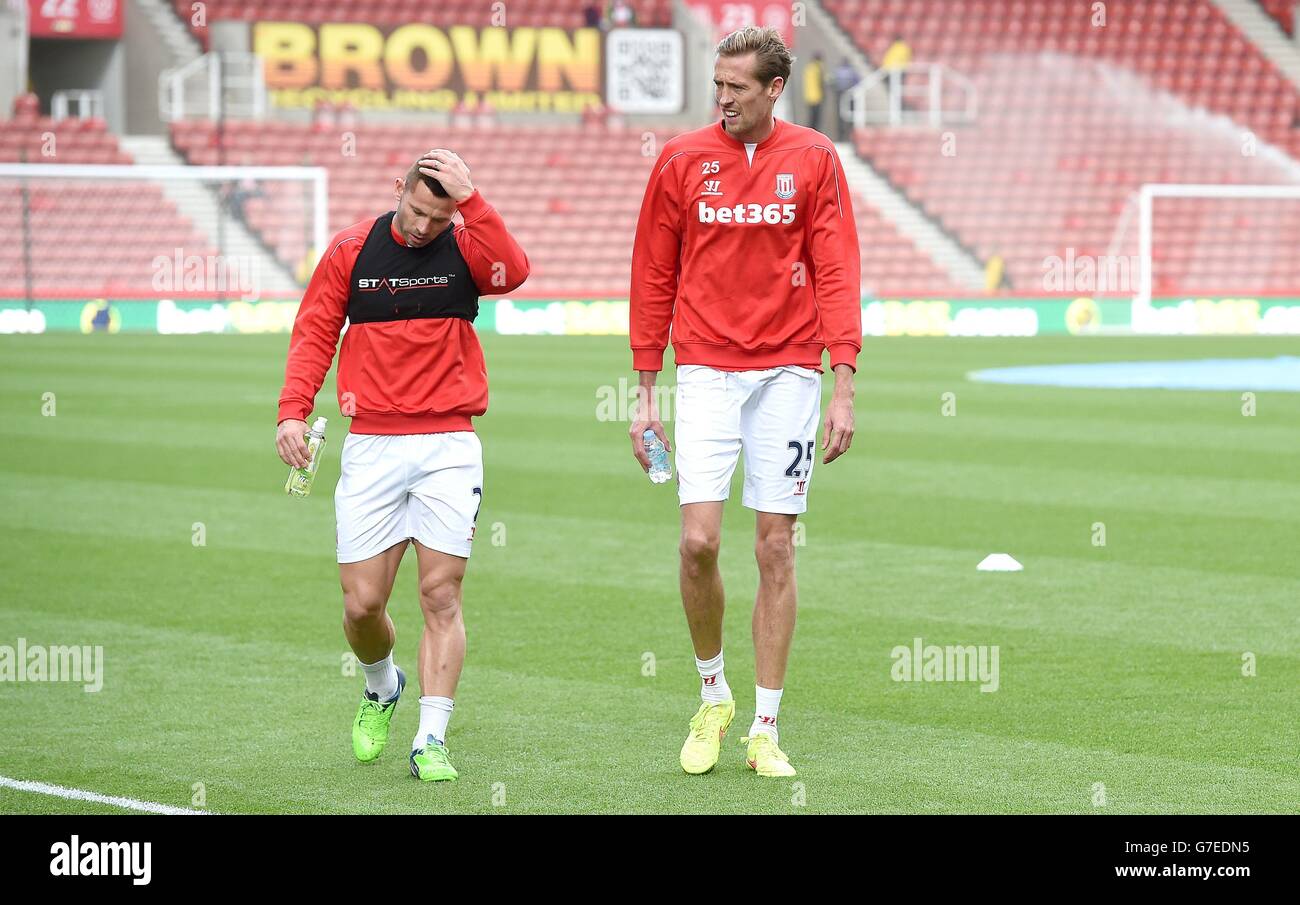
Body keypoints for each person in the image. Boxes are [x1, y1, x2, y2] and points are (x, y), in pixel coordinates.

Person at [629, 25, 861, 778]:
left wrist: (843, 381)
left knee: (774, 545)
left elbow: (835, 268)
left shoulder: (815, 159)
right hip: (703, 369)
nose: (722, 97)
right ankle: (712, 694)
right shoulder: (681, 159)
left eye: (736, 86)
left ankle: (765, 723)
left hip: (791, 372)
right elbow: (652, 274)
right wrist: (644, 391)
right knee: (698, 541)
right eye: (718, 84)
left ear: (772, 89)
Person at [275, 150, 529, 782]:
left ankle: (430, 738)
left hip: (448, 443)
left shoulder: (468, 247)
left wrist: (474, 203)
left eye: (438, 218)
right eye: (416, 210)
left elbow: (514, 273)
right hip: (372, 445)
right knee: (362, 605)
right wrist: (292, 410)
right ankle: (382, 684)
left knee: (440, 593)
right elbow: (314, 332)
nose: (422, 228)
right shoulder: (350, 252)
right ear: (399, 188)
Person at [833, 58, 859, 141]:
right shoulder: (852, 72)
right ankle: (850, 137)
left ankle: (841, 137)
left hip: (840, 96)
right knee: (851, 118)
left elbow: (834, 83)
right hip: (850, 97)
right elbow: (858, 83)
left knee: (840, 118)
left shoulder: (838, 71)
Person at [803, 52, 825, 132]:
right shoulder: (818, 67)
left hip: (809, 96)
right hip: (817, 96)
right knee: (816, 119)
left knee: (811, 117)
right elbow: (822, 82)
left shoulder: (809, 68)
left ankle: (809, 132)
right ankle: (814, 133)